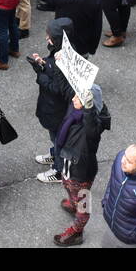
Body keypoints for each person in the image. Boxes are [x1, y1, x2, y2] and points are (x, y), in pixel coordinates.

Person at [53, 85, 111, 247]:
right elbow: (67, 90)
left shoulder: (93, 125)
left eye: (78, 97)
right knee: (68, 185)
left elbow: (91, 123)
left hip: (81, 171)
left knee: (83, 205)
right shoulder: (76, 111)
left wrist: (88, 107)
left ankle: (77, 232)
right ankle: (73, 203)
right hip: (68, 163)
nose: (73, 99)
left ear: (88, 104)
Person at [26, 17, 75, 184]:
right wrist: (44, 64)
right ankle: (54, 154)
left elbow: (58, 89)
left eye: (50, 37)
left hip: (58, 110)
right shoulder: (60, 52)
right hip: (53, 108)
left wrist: (40, 74)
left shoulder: (65, 60)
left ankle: (58, 170)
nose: (47, 38)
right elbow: (53, 70)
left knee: (59, 138)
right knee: (55, 137)